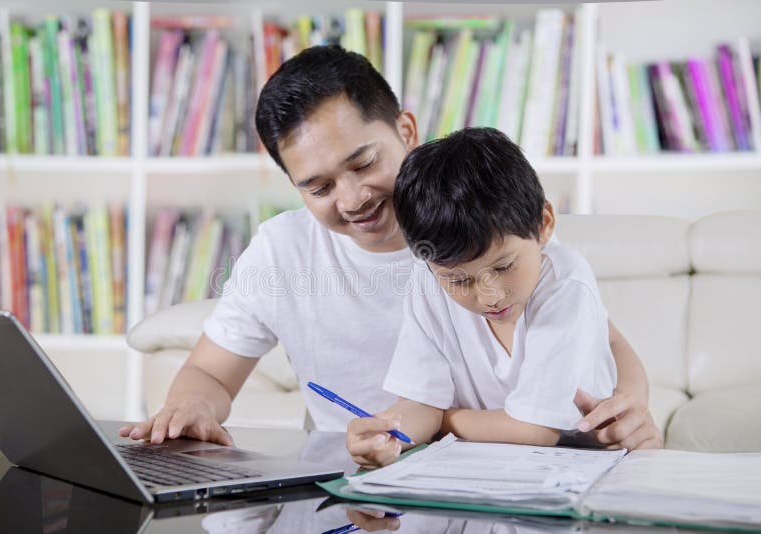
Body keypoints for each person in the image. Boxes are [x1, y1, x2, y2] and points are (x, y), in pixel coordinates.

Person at [119, 46, 661, 452]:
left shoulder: (479, 216)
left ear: (406, 129)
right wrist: (186, 406)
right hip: (380, 476)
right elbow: (211, 373)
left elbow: (601, 331)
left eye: (362, 164)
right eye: (319, 187)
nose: (353, 199)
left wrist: (633, 398)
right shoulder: (281, 253)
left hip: (501, 464)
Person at [346, 127, 652, 469]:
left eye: (504, 266)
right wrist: (389, 434)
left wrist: (443, 420)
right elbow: (420, 403)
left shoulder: (564, 282)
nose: (490, 296)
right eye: (460, 280)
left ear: (544, 224)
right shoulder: (428, 282)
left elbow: (536, 432)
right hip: (493, 470)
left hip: (581, 464)